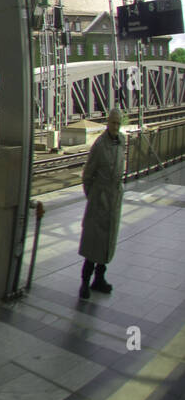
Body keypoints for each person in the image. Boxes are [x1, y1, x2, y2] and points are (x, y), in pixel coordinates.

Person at [79, 108, 125, 299]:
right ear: (107, 123)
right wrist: (94, 196)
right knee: (93, 245)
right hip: (100, 200)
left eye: (118, 123)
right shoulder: (99, 145)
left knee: (106, 244)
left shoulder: (121, 141)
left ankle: (99, 279)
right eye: (113, 122)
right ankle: (84, 283)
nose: (115, 126)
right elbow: (87, 175)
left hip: (113, 199)